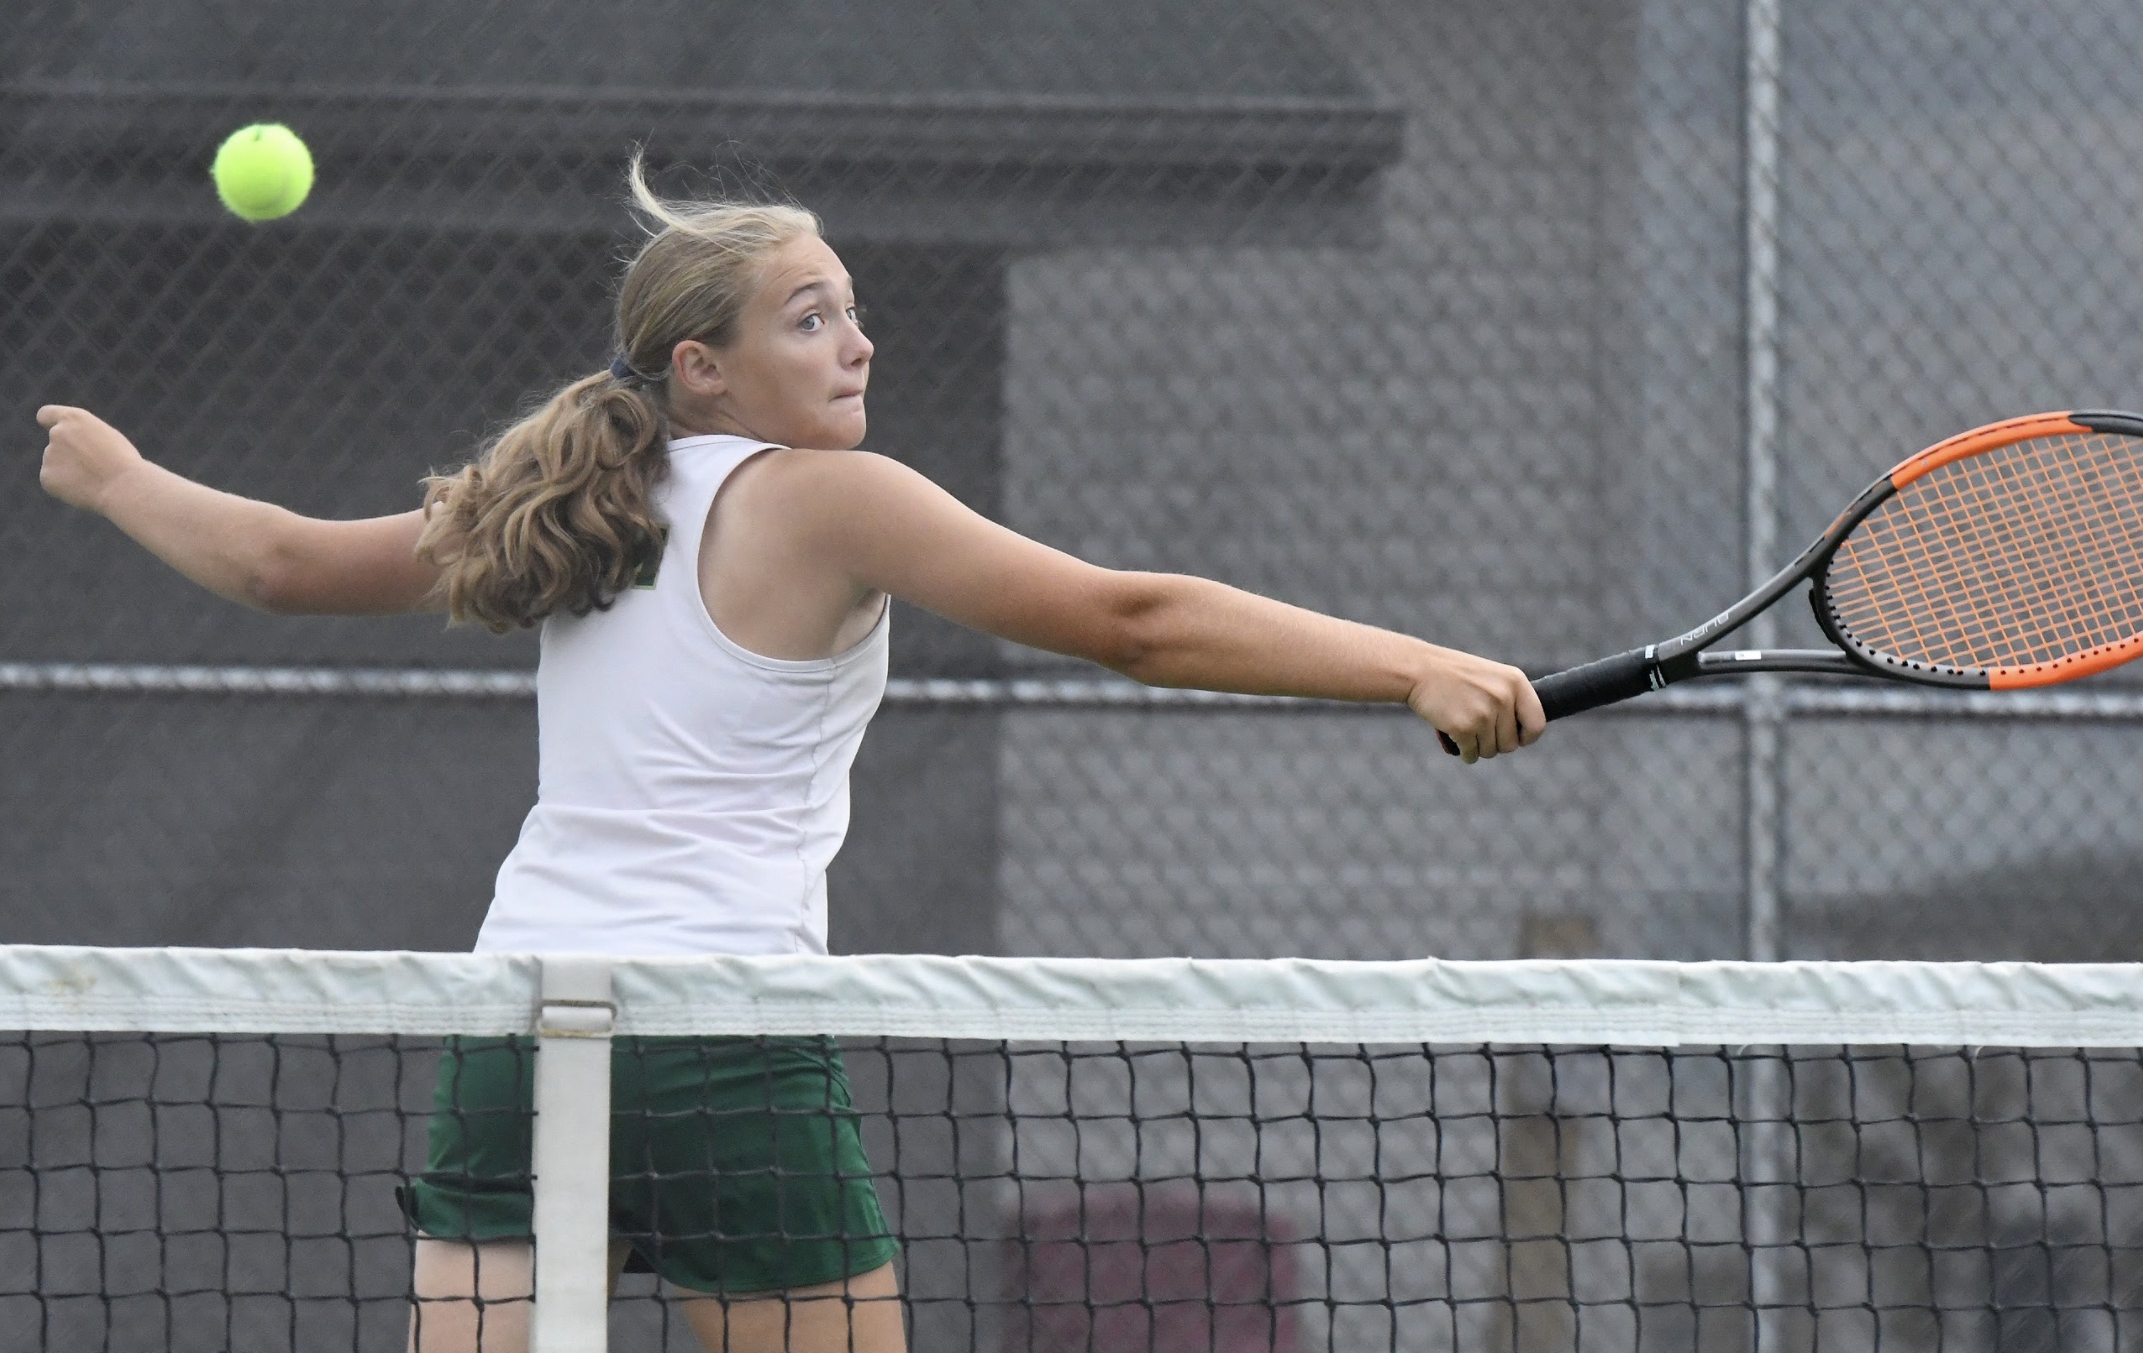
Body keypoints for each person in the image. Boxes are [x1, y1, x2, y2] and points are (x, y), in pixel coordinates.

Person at [34, 161, 1544, 1352]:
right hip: (724, 1053)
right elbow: (1129, 621)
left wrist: (115, 478)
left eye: (852, 307)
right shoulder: (831, 500)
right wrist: (1409, 664)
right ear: (703, 367)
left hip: (517, 1040)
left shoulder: (565, 501)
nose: (858, 339)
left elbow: (287, 565)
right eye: (810, 316)